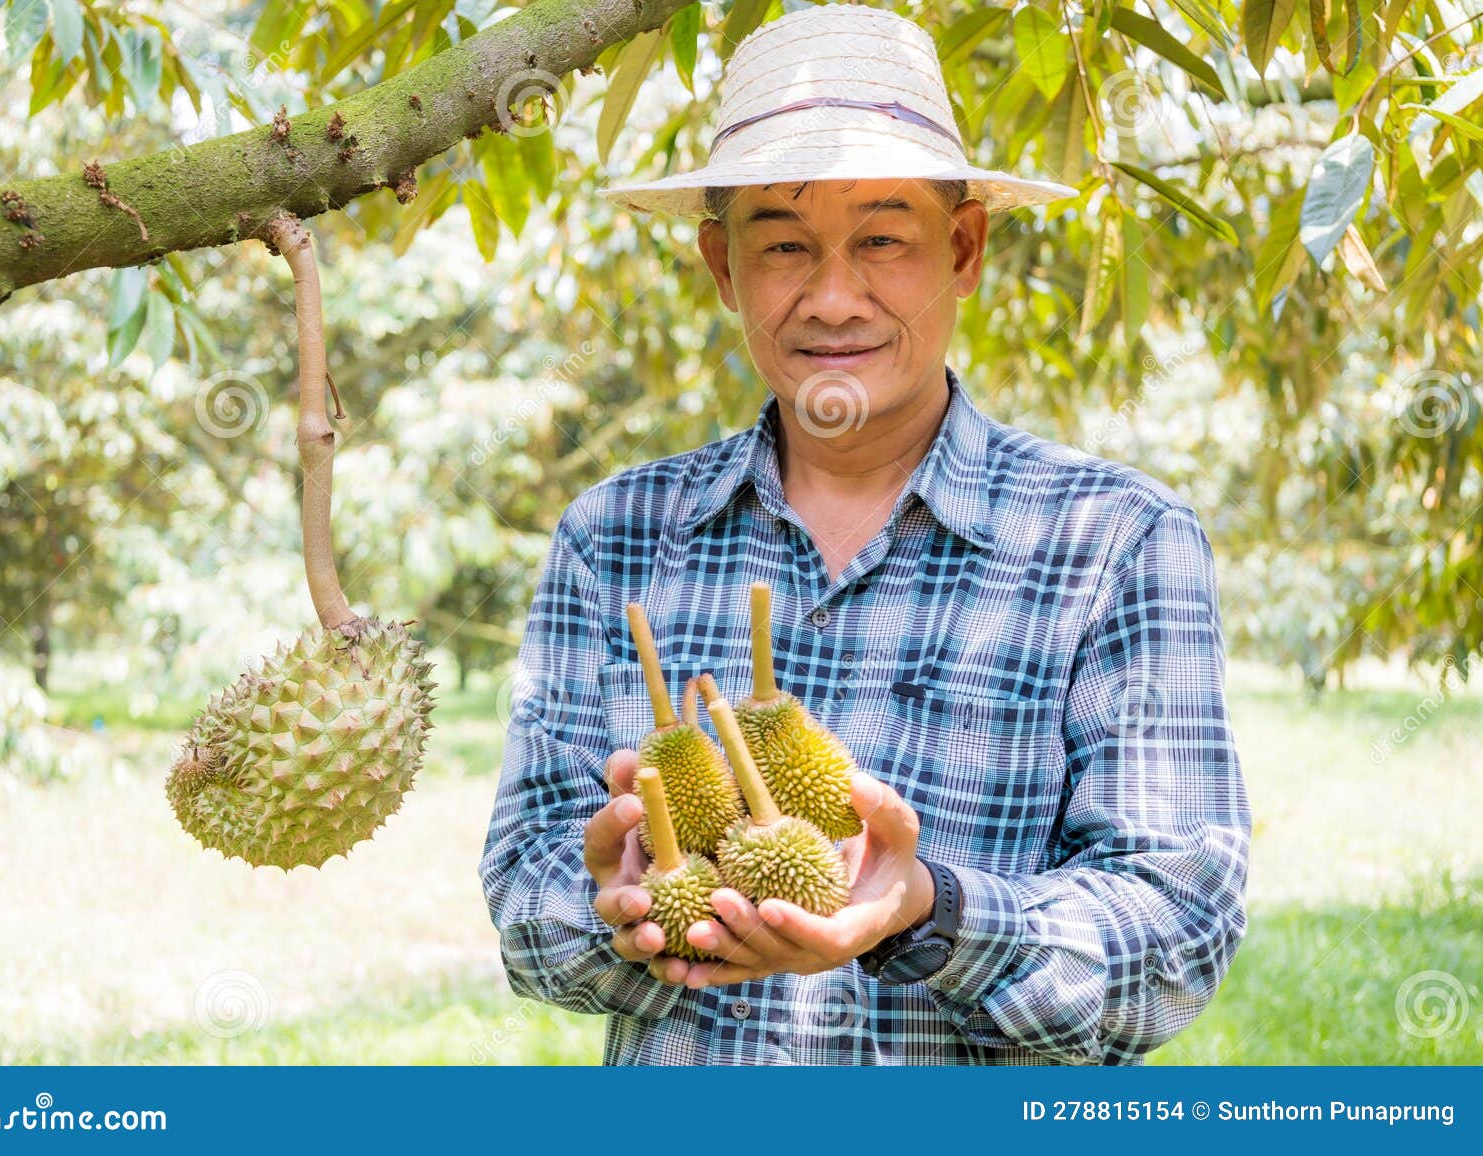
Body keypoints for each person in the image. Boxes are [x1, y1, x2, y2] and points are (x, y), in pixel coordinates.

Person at [479, 3, 1250, 1065]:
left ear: (963, 248)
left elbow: (1174, 937)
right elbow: (525, 904)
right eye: (783, 245)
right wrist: (619, 909)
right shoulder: (612, 538)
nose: (833, 298)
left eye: (883, 239)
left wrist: (926, 911)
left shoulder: (1116, 542)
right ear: (722, 267)